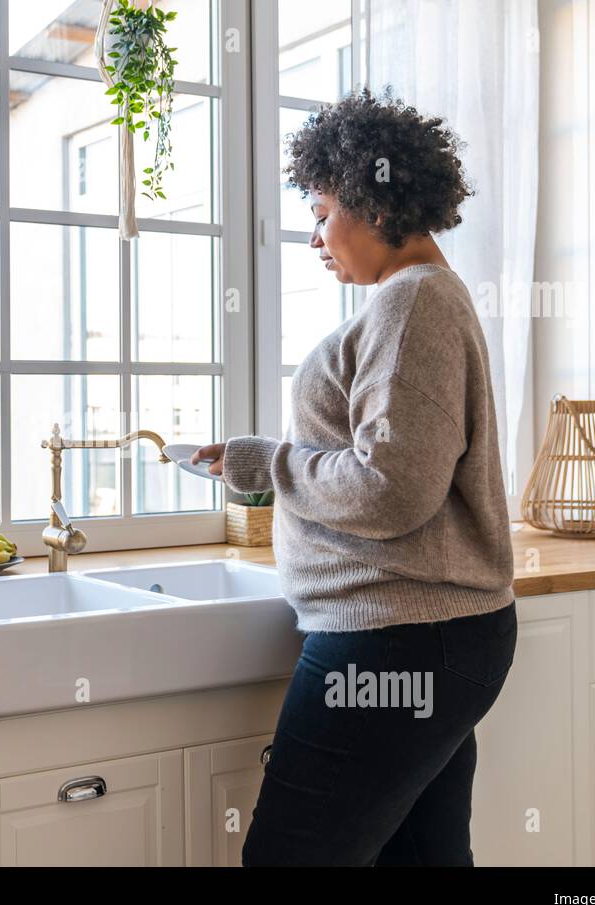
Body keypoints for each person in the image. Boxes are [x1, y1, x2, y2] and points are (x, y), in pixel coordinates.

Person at [193, 90, 517, 866]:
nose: (313, 235)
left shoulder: (411, 304)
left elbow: (390, 489)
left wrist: (264, 462)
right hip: (430, 637)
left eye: (321, 207)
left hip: (394, 642)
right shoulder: (422, 298)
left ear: (374, 203)